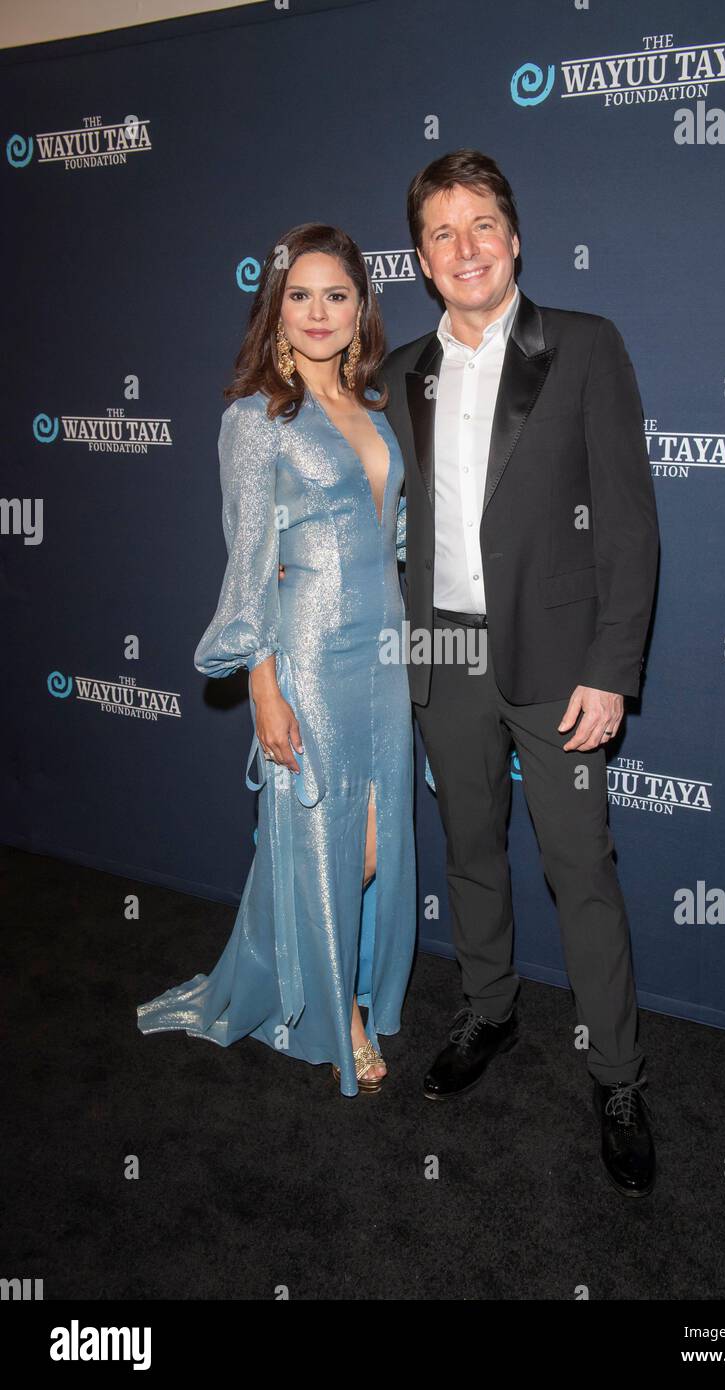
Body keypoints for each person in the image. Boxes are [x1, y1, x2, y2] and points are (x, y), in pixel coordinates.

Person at [379, 150, 660, 1194]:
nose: (464, 247)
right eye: (442, 232)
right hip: (441, 650)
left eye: (481, 224)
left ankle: (618, 1075)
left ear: (514, 237)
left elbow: (627, 526)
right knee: (467, 851)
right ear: (419, 257)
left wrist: (611, 668)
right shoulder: (397, 369)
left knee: (579, 868)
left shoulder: (581, 346)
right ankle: (487, 1011)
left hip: (555, 663)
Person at [137, 225, 416, 1096]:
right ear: (277, 310)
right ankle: (341, 1014)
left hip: (384, 651)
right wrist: (263, 682)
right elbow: (249, 559)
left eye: (337, 294)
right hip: (309, 656)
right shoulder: (255, 421)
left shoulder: (373, 409)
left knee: (377, 844)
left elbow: (391, 534)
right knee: (330, 845)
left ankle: (340, 984)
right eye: (301, 295)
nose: (319, 312)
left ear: (361, 307)